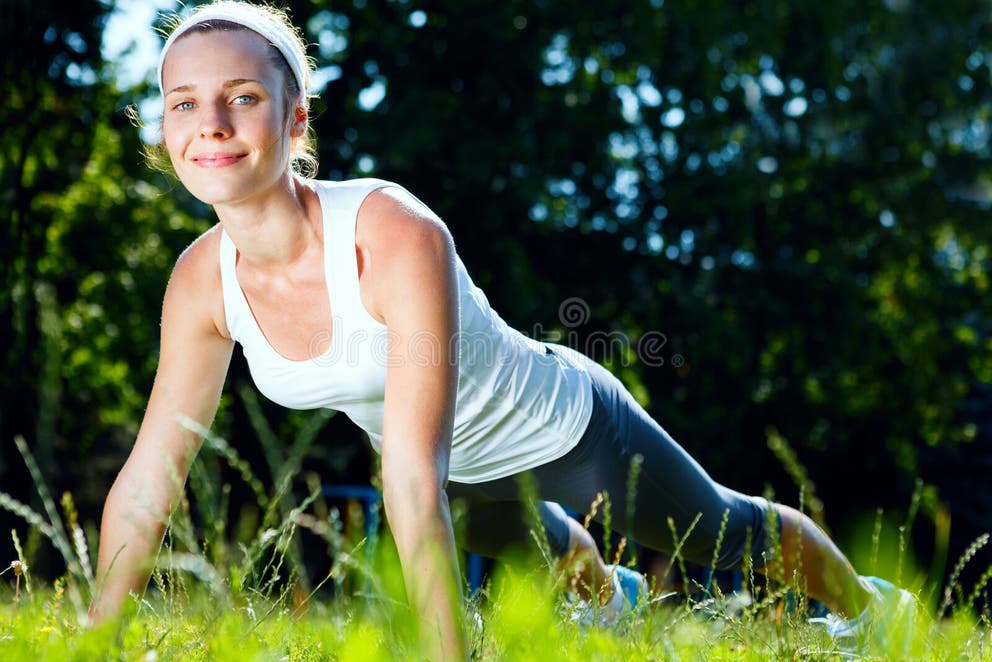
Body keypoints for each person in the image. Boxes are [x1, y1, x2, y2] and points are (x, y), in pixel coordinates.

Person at [89, 1, 911, 659]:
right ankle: (613, 601)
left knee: (720, 534)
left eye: (244, 97)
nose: (213, 123)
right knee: (518, 538)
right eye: (184, 102)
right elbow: (152, 475)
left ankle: (877, 611)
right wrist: (101, 632)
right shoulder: (202, 281)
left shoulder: (394, 232)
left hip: (567, 432)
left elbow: (410, 475)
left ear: (296, 121)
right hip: (459, 480)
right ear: (163, 128)